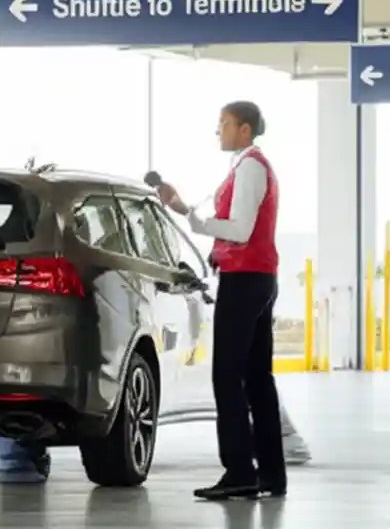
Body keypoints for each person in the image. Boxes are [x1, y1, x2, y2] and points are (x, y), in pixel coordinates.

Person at [156, 100, 286, 501]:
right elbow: (243, 230)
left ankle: (239, 471)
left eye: (225, 124)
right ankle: (270, 474)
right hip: (258, 276)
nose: (220, 131)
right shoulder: (247, 166)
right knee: (257, 378)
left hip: (245, 281)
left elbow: (241, 229)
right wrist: (185, 212)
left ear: (244, 129)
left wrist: (196, 223)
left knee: (227, 376)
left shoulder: (250, 166)